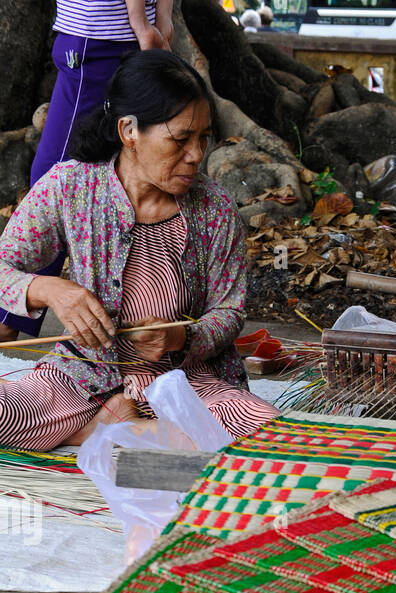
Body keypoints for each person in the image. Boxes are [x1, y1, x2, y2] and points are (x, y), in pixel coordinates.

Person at [0, 50, 278, 449]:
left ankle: (116, 434)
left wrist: (180, 338)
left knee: (268, 436)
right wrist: (50, 290)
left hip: (188, 380)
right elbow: (4, 266)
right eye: (181, 139)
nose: (197, 155)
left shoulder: (213, 207)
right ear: (129, 131)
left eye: (203, 137)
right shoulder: (71, 187)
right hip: (84, 374)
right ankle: (107, 430)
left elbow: (230, 309)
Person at [0, 0, 175, 344]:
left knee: (52, 182)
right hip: (112, 37)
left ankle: (7, 316)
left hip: (99, 40)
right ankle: (137, 310)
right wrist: (160, 21)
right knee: (110, 172)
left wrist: (142, 23)